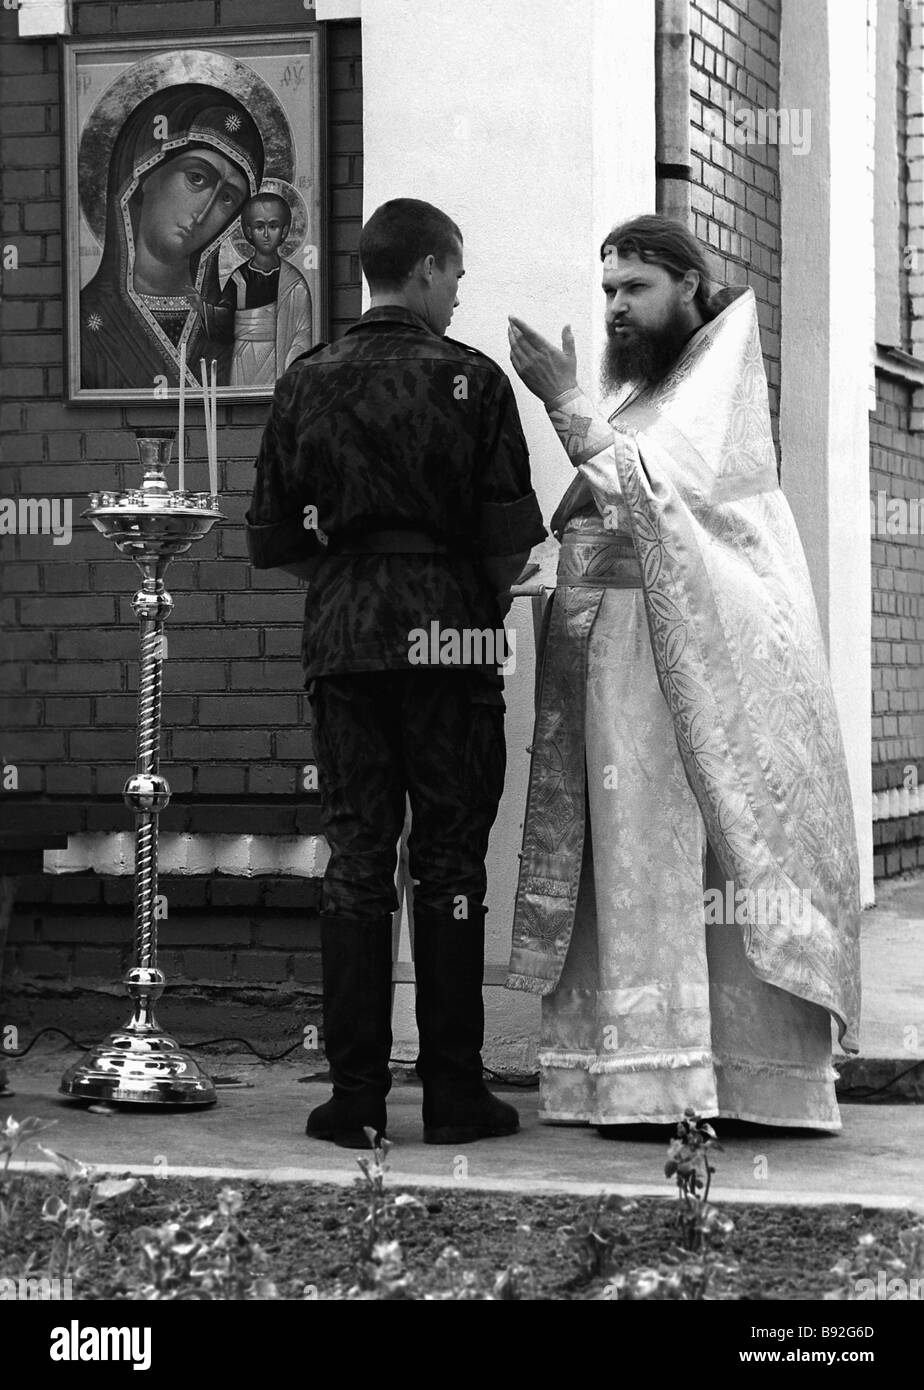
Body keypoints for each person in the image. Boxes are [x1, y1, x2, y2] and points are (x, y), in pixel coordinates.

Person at [505, 214, 861, 1135]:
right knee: (629, 862)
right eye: (610, 288)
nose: (618, 306)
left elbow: (656, 494)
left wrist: (563, 402)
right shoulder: (648, 395)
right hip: (623, 665)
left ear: (691, 290)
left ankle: (707, 1077)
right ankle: (633, 1075)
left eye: (637, 288)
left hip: (680, 674)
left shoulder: (718, 377)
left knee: (677, 860)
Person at [246, 197, 546, 1147]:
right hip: (450, 639)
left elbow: (269, 540)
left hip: (344, 639)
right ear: (424, 269)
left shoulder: (305, 380)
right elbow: (507, 544)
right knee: (451, 858)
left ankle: (356, 1098)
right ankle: (455, 1091)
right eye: (455, 275)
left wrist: (347, 576)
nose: (459, 294)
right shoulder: (473, 380)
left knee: (358, 857)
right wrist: (475, 596)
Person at [80, 84, 264, 391]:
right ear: (147, 172)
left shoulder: (228, 329)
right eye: (197, 178)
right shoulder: (86, 323)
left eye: (228, 199)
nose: (204, 214)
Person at [205, 192, 313, 388]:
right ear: (248, 232)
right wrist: (204, 310)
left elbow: (302, 334)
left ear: (284, 231)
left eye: (272, 226)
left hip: (279, 359)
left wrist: (291, 372)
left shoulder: (294, 283)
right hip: (244, 359)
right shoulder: (238, 279)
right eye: (259, 227)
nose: (265, 234)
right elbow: (224, 323)